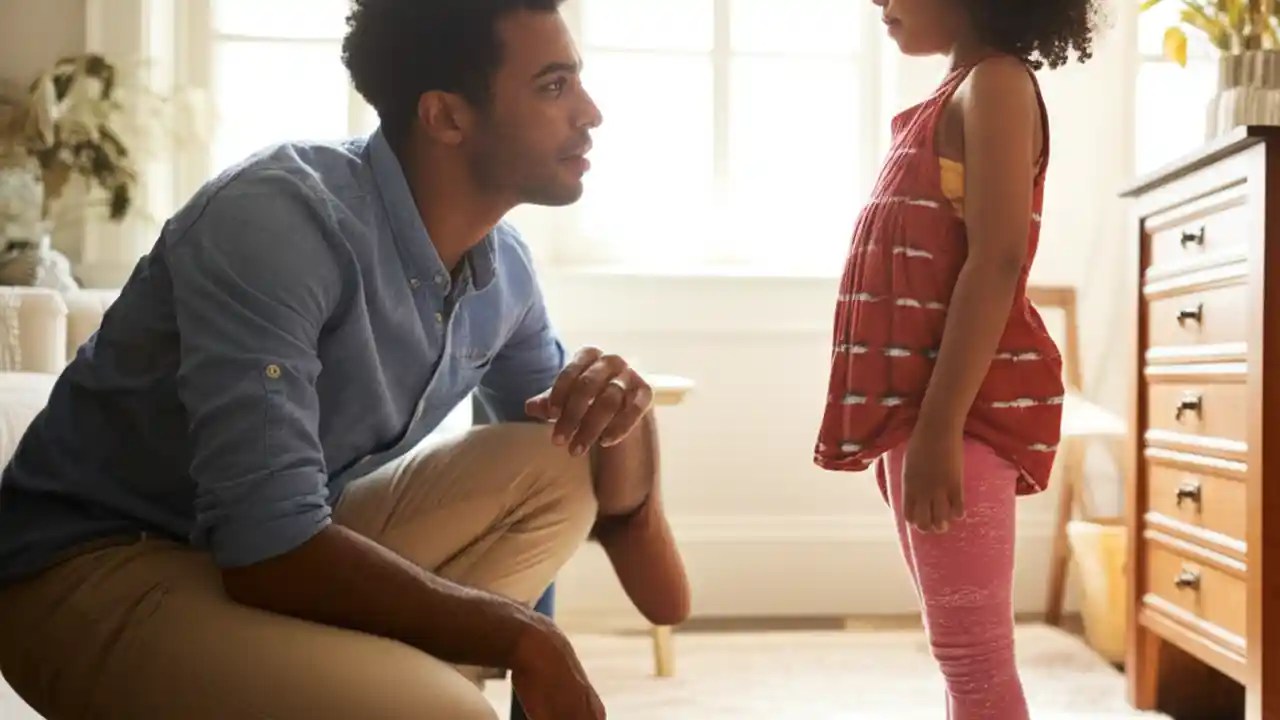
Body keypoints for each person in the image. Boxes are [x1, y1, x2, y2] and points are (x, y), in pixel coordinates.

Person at [0, 1, 690, 718]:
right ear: (447, 118)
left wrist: (622, 405)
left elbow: (656, 584)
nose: (591, 112)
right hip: (90, 569)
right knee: (452, 713)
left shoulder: (502, 270)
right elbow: (268, 544)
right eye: (553, 86)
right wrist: (523, 638)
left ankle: (376, 685)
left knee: (555, 463)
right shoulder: (278, 220)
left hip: (245, 554)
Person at [814, 0, 1098, 717]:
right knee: (958, 657)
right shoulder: (949, 98)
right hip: (920, 417)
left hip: (958, 419)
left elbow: (997, 261)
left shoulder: (997, 85)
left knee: (974, 661)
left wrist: (941, 427)